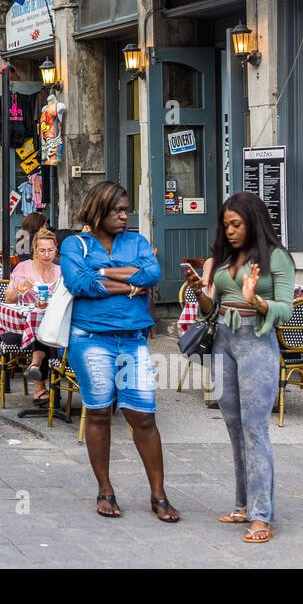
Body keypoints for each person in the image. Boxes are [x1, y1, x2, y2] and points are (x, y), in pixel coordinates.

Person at [182, 191, 293, 542]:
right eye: (226, 225)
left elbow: (286, 309)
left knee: (255, 427)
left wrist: (255, 301)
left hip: (256, 341)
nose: (229, 231)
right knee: (232, 424)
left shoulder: (277, 257)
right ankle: (243, 504)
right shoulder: (223, 258)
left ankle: (262, 515)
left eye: (236, 224)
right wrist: (198, 291)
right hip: (223, 340)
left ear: (253, 221)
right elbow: (210, 309)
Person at [63, 181, 176, 523]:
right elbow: (77, 282)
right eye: (118, 211)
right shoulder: (75, 244)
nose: (125, 216)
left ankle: (159, 495)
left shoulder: (137, 241)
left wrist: (102, 274)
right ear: (98, 211)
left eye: (126, 210)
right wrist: (131, 285)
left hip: (132, 339)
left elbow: (152, 273)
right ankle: (105, 490)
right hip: (91, 339)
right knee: (98, 413)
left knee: (143, 415)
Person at [8, 226, 61, 404]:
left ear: (56, 250)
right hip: (22, 330)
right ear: (35, 250)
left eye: (50, 250)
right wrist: (20, 285)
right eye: (42, 250)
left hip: (53, 326)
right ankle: (40, 386)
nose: (46, 254)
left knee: (49, 327)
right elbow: (9, 299)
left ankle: (36, 365)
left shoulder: (60, 271)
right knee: (44, 328)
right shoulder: (24, 268)